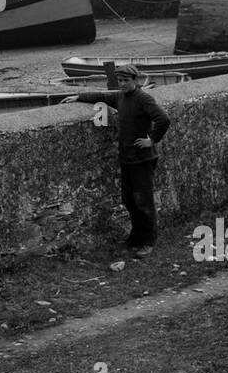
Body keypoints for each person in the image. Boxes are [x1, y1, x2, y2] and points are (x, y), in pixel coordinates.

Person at [61, 65, 170, 258]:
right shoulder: (121, 97)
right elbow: (102, 96)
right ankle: (136, 238)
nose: (122, 84)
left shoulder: (143, 98)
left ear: (135, 80)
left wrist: (152, 140)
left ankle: (148, 241)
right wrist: (78, 97)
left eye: (126, 80)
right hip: (127, 158)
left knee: (144, 202)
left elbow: (163, 119)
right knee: (129, 200)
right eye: (120, 80)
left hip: (143, 159)